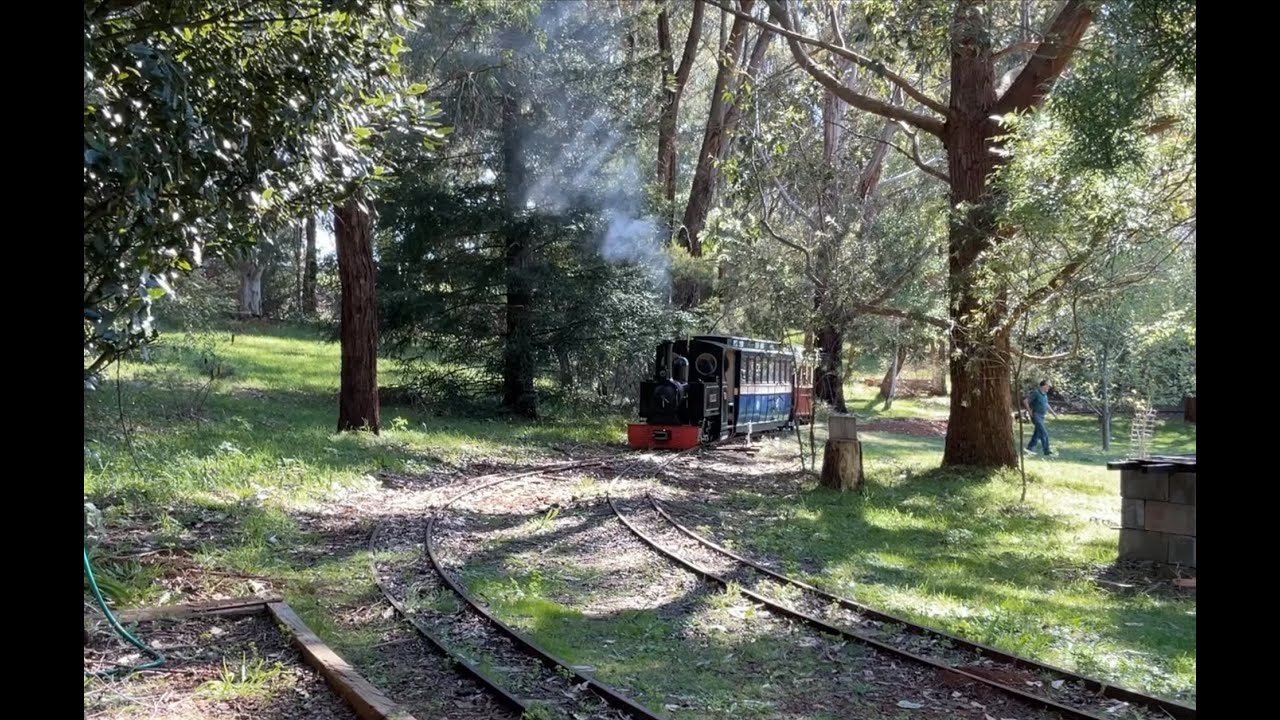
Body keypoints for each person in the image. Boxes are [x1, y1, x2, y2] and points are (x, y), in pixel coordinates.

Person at [1022, 380, 1059, 455]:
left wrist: (1053, 413)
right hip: (1036, 415)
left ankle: (1029, 448)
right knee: (1043, 432)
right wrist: (1029, 411)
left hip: (1042, 416)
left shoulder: (1044, 395)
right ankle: (1046, 450)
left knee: (1037, 433)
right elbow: (1025, 401)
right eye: (1047, 386)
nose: (1048, 388)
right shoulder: (1036, 393)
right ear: (1043, 386)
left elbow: (1046, 405)